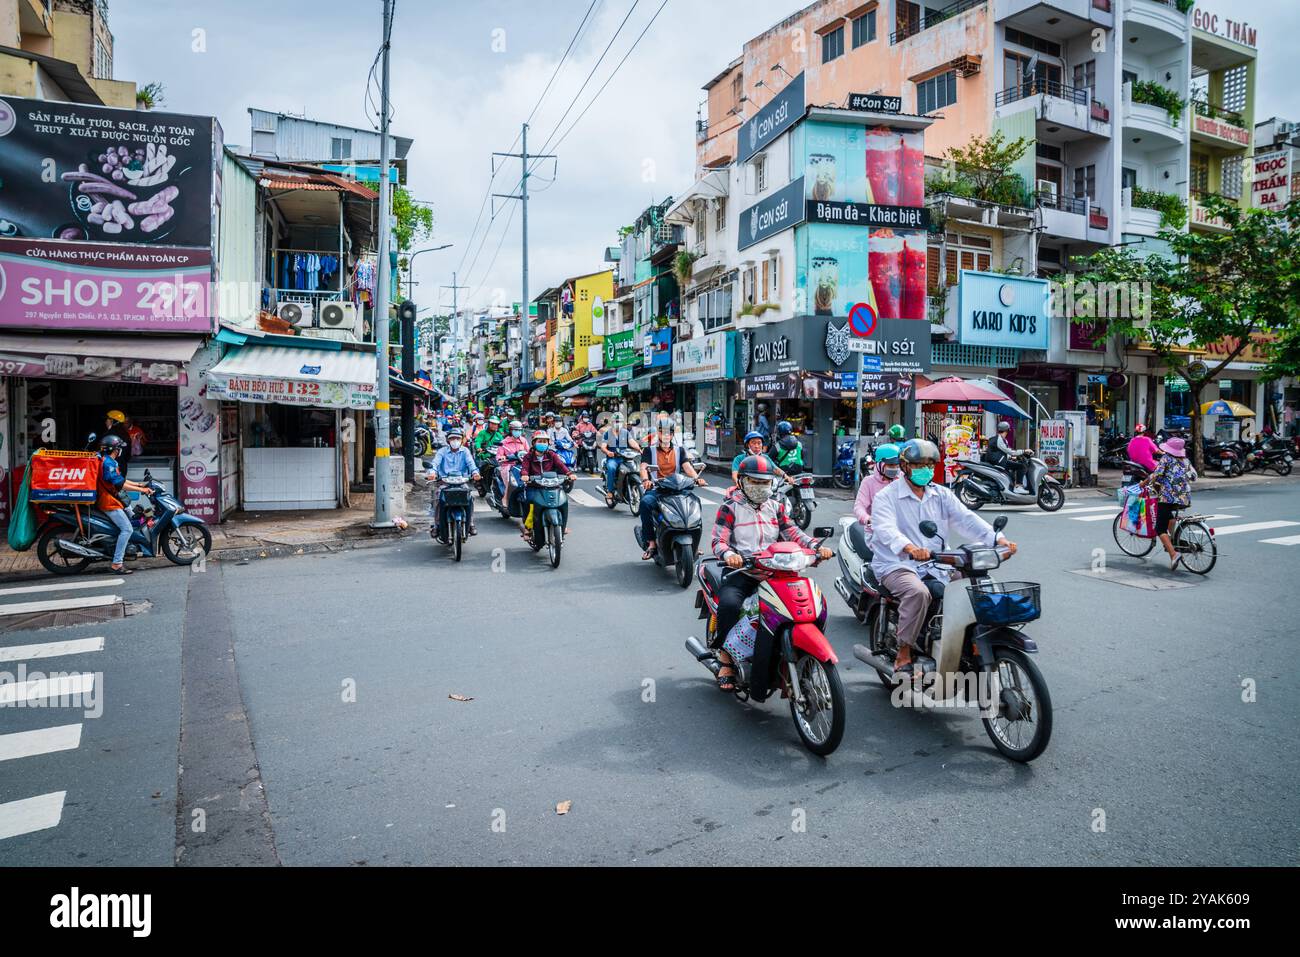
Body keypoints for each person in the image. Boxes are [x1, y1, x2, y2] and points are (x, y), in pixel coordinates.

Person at [870, 440, 1017, 678]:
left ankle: (961, 639)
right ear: (905, 466)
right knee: (918, 592)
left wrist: (998, 540)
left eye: (929, 464)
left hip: (938, 562)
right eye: (919, 464)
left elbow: (966, 519)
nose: (924, 469)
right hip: (896, 563)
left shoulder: (941, 494)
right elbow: (885, 529)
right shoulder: (887, 496)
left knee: (974, 585)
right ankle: (904, 651)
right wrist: (908, 546)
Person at [710, 455, 833, 692]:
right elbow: (718, 541)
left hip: (777, 571)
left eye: (765, 482)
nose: (760, 487)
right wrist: (729, 556)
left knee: (805, 607)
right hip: (744, 571)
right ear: (743, 482)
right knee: (729, 605)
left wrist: (816, 547)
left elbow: (793, 532)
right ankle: (726, 659)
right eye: (755, 482)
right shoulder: (730, 507)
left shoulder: (776, 507)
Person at [637, 417, 706, 560]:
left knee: (696, 503)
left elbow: (687, 467)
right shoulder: (649, 450)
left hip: (677, 488)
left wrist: (696, 479)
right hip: (657, 488)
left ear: (673, 434)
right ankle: (651, 542)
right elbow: (643, 467)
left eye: (669, 433)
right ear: (659, 434)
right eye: (663, 432)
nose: (666, 436)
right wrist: (645, 480)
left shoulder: (679, 450)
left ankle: (695, 542)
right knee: (645, 503)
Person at [96, 435, 151, 575]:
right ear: (115, 449)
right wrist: (142, 489)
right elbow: (120, 485)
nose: (120, 450)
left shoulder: (110, 461)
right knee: (127, 529)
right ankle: (117, 563)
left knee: (133, 517)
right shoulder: (108, 463)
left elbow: (122, 480)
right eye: (119, 448)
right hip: (109, 503)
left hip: (114, 500)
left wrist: (140, 484)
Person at [1143, 435, 1197, 570]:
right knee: (1169, 517)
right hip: (1184, 498)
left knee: (1159, 528)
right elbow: (1194, 476)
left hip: (1167, 497)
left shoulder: (1166, 458)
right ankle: (1171, 541)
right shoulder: (1186, 460)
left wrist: (1143, 483)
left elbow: (1155, 475)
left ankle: (1173, 554)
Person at [427, 428, 481, 540]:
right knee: (437, 499)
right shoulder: (442, 451)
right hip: (444, 483)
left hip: (461, 483)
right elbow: (435, 463)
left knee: (470, 498)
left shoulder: (465, 451)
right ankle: (436, 525)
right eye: (452, 438)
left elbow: (471, 464)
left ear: (461, 440)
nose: (455, 440)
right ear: (448, 440)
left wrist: (475, 473)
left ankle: (470, 524)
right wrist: (432, 472)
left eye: (457, 438)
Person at [520, 429, 573, 538]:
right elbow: (524, 468)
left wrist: (569, 473)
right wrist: (525, 475)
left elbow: (561, 465)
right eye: (540, 441)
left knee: (562, 501)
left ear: (548, 443)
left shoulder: (552, 455)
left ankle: (562, 525)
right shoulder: (528, 456)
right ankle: (528, 527)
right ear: (534, 443)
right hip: (534, 486)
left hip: (552, 485)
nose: (542, 444)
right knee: (529, 501)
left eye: (545, 442)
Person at [853, 442, 900, 528]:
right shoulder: (868, 482)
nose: (895, 469)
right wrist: (867, 518)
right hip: (876, 529)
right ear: (879, 464)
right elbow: (859, 506)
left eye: (897, 466)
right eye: (890, 465)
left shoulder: (902, 480)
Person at [599, 412, 641, 505]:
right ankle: (610, 492)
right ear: (612, 422)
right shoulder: (607, 433)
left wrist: (639, 449)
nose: (618, 423)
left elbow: (632, 442)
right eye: (616, 421)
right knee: (611, 468)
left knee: (634, 468)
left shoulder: (625, 432)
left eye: (620, 421)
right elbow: (603, 446)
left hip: (625, 458)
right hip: (613, 459)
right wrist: (607, 452)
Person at [494, 420, 530, 509]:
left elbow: (529, 452)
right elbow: (499, 456)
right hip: (508, 466)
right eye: (515, 430)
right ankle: (505, 499)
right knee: (509, 482)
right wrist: (503, 458)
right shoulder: (504, 442)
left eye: (519, 430)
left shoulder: (524, 441)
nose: (518, 432)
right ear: (511, 430)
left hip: (522, 465)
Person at [985, 421, 1027, 490]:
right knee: (1021, 466)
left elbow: (1002, 452)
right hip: (999, 463)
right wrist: (1024, 451)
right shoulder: (999, 440)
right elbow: (1010, 452)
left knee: (1013, 473)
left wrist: (1011, 457)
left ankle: (1012, 488)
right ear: (1007, 430)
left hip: (999, 461)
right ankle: (1019, 486)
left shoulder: (1001, 439)